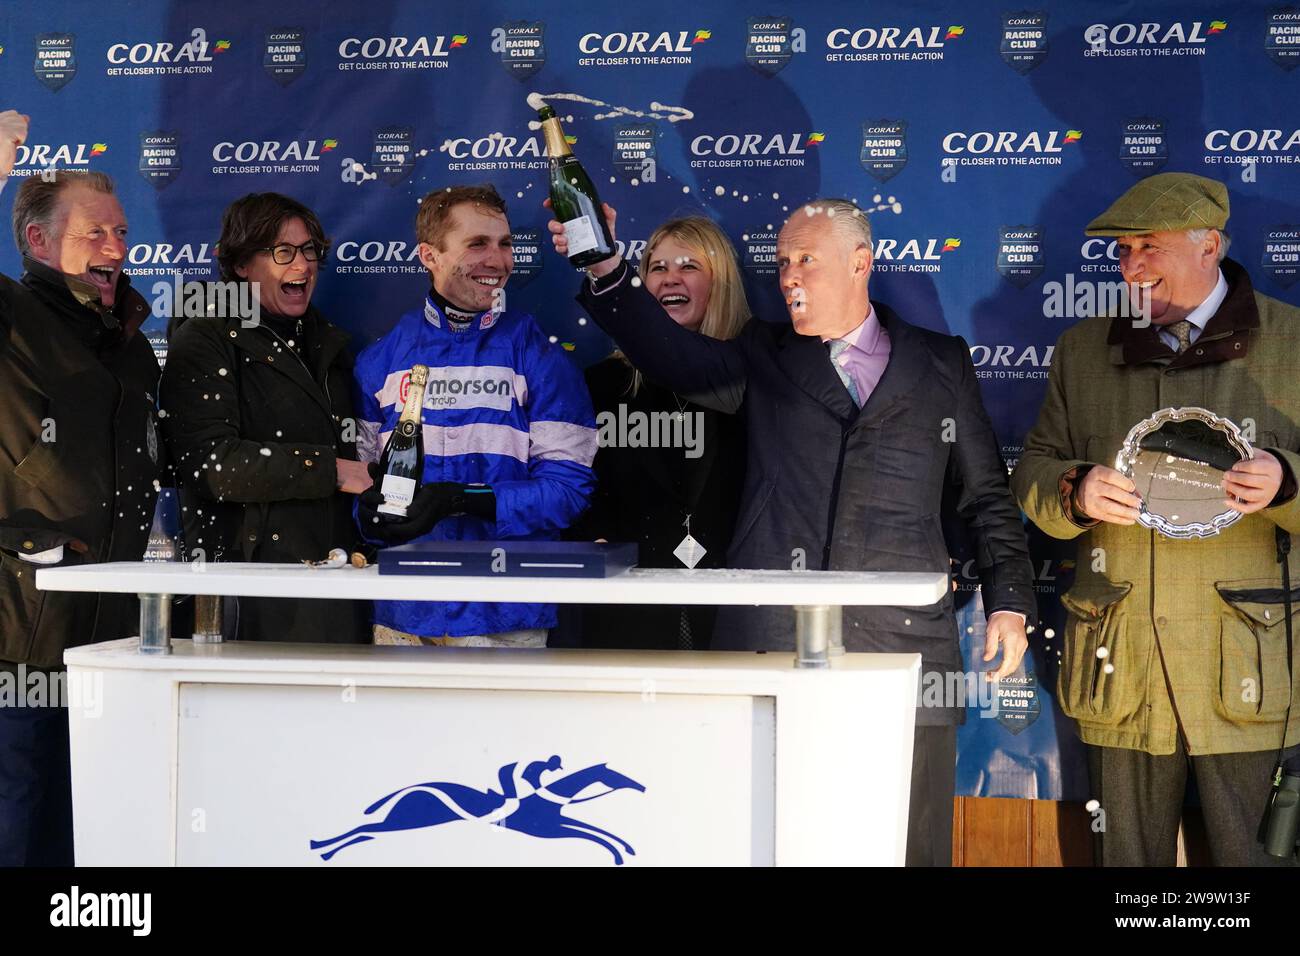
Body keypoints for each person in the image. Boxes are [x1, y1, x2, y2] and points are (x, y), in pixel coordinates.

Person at [551, 196, 1034, 866]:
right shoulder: (762, 354)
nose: (788, 276)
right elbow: (670, 355)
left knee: (910, 842)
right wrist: (606, 265)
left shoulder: (941, 362)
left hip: (904, 649)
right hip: (770, 642)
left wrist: (1008, 600)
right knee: (766, 838)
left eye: (806, 258)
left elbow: (985, 496)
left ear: (861, 263)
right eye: (781, 262)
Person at [1011, 172, 1300, 866]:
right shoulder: (1084, 350)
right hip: (1123, 665)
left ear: (1210, 246)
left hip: (1250, 668)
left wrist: (1287, 479)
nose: (1131, 266)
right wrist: (1074, 491)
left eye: (1149, 247)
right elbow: (1032, 471)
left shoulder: (1292, 342)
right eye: (1121, 251)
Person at [0, 111, 164, 864]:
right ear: (37, 242)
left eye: (121, 233)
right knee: (23, 814)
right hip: (21, 635)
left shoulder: (127, 341)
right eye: (94, 232)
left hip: (110, 635)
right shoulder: (12, 316)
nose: (115, 248)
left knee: (90, 818)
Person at [353, 184, 595, 647]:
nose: (498, 261)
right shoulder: (379, 361)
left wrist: (460, 499)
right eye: (477, 244)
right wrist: (367, 517)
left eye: (505, 244)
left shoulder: (539, 356)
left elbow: (568, 492)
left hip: (506, 612)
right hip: (405, 611)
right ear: (430, 255)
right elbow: (366, 489)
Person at [159, 193, 371, 644]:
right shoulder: (203, 339)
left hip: (332, 584)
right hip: (246, 592)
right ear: (240, 265)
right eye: (283, 252)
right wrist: (329, 469)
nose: (302, 265)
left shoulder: (328, 343)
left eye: (309, 250)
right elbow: (210, 465)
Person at [569, 215, 748, 650]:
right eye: (657, 267)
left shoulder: (755, 374)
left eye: (689, 267)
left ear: (721, 282)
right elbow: (571, 484)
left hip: (730, 605)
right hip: (626, 605)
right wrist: (591, 537)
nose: (671, 279)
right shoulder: (601, 384)